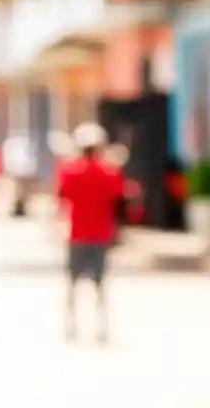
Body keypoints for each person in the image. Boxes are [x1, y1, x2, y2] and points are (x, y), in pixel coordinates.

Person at [57, 123, 126, 342]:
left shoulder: (70, 171)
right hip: (101, 234)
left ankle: (71, 326)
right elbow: (119, 197)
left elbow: (62, 196)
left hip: (77, 234)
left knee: (73, 283)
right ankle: (101, 328)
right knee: (100, 284)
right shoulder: (109, 171)